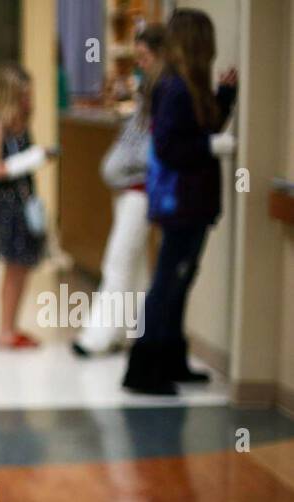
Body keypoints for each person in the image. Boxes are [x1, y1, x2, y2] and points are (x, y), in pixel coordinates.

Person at [122, 8, 237, 395]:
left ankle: (170, 361)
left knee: (179, 282)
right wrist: (210, 145)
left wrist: (225, 97)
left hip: (191, 202)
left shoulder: (187, 85)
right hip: (181, 203)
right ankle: (145, 369)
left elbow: (201, 127)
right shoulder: (175, 88)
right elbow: (171, 146)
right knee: (167, 284)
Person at [72, 24, 166, 358]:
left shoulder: (164, 94)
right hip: (128, 186)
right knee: (135, 264)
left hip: (141, 188)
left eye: (144, 57)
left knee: (118, 262)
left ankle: (95, 337)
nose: (140, 64)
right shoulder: (147, 93)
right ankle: (133, 334)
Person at [0, 63, 56, 350]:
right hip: (6, 205)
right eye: (23, 95)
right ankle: (5, 330)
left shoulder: (22, 124)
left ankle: (12, 326)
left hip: (25, 203)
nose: (28, 100)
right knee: (12, 269)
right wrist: (30, 159)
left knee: (23, 266)